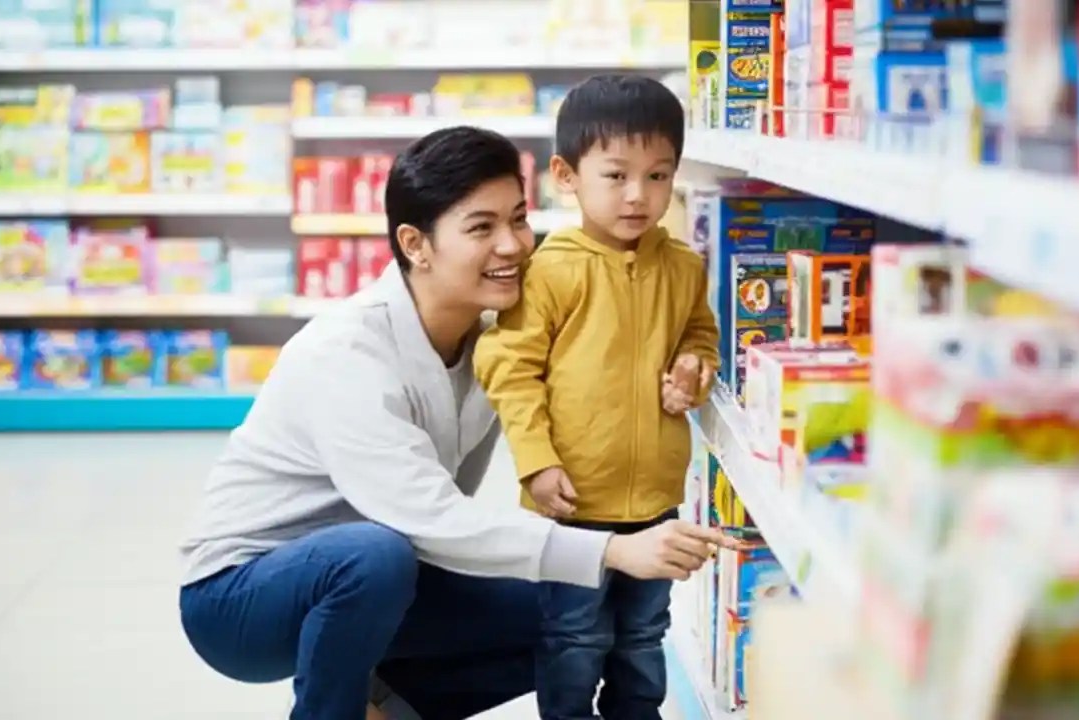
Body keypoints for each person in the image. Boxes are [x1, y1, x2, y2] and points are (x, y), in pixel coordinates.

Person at [177, 125, 729, 720]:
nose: (514, 245)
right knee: (374, 555)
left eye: (518, 219)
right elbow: (431, 518)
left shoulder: (490, 345)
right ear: (416, 244)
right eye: (481, 227)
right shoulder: (346, 353)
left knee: (572, 615)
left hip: (387, 576)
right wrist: (613, 550)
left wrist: (687, 360)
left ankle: (388, 707)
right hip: (240, 598)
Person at [474, 75, 722, 720]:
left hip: (657, 499)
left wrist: (694, 366)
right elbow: (510, 367)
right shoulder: (552, 270)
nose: (639, 196)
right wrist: (536, 459)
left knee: (644, 636)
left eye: (659, 175)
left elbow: (700, 336)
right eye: (616, 175)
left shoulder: (685, 267)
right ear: (566, 175)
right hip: (570, 499)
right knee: (574, 637)